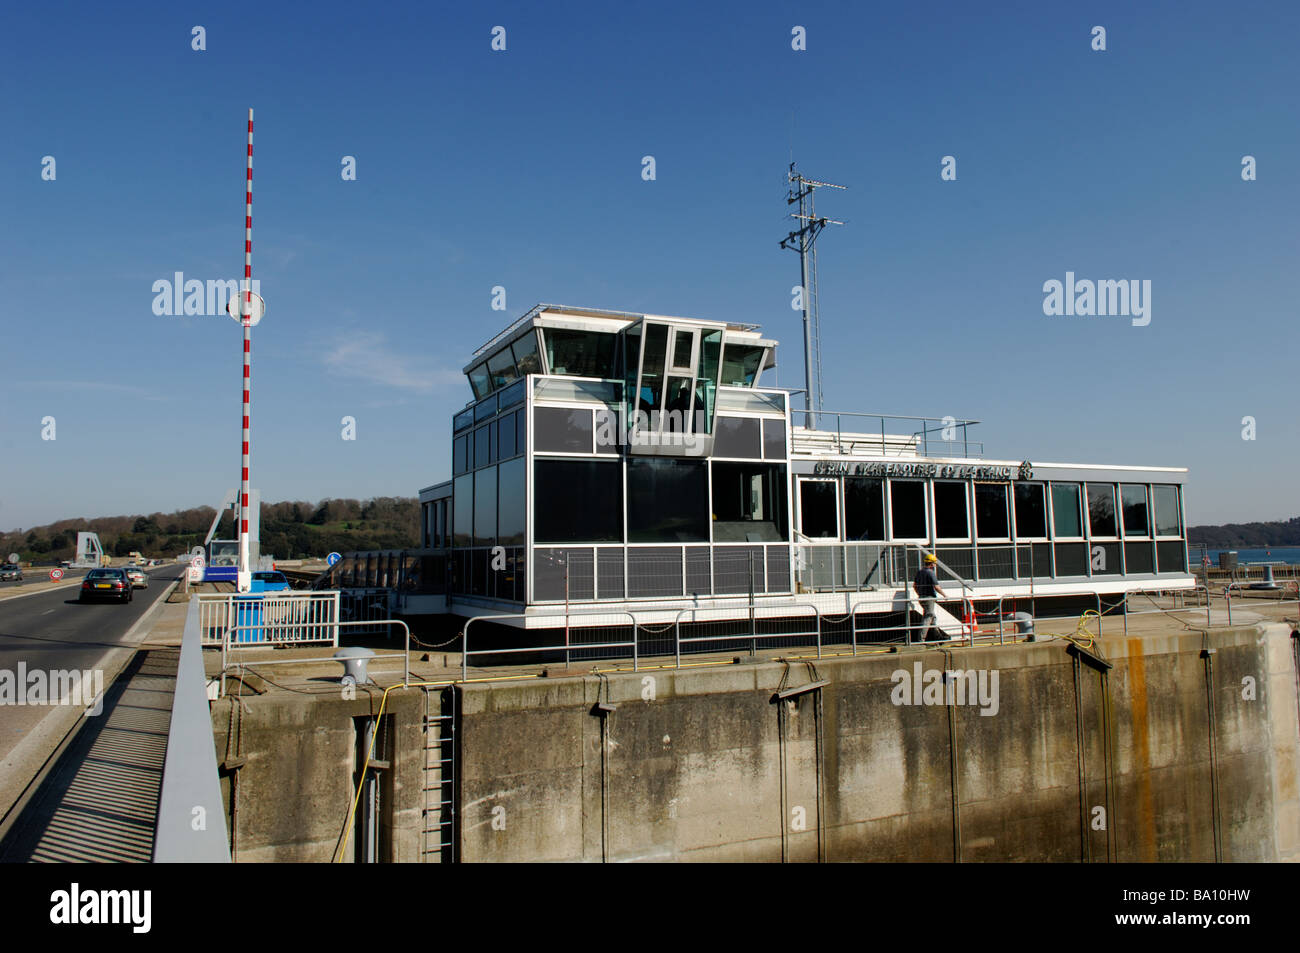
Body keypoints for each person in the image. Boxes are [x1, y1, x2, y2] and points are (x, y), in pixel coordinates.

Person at [913, 553, 948, 642]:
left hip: (921, 598)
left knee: (932, 617)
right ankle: (921, 639)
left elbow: (914, 585)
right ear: (931, 563)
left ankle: (938, 636)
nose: (935, 564)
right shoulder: (931, 573)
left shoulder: (920, 572)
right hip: (929, 598)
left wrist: (919, 593)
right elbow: (936, 586)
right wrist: (944, 595)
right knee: (928, 617)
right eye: (934, 563)